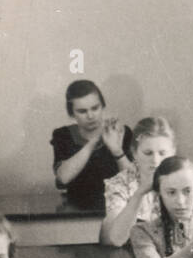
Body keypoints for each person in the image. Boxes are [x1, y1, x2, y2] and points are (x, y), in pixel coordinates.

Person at [51, 80, 133, 211]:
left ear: (103, 106)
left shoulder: (122, 132)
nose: (90, 116)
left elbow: (133, 181)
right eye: (82, 111)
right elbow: (64, 178)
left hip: (118, 208)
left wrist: (117, 151)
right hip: (77, 212)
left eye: (95, 108)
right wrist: (94, 141)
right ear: (72, 113)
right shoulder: (63, 135)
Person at [99, 116, 177, 247]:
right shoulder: (119, 184)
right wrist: (140, 193)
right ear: (134, 153)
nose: (156, 161)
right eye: (148, 153)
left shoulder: (183, 179)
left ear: (173, 152)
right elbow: (111, 239)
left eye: (162, 153)